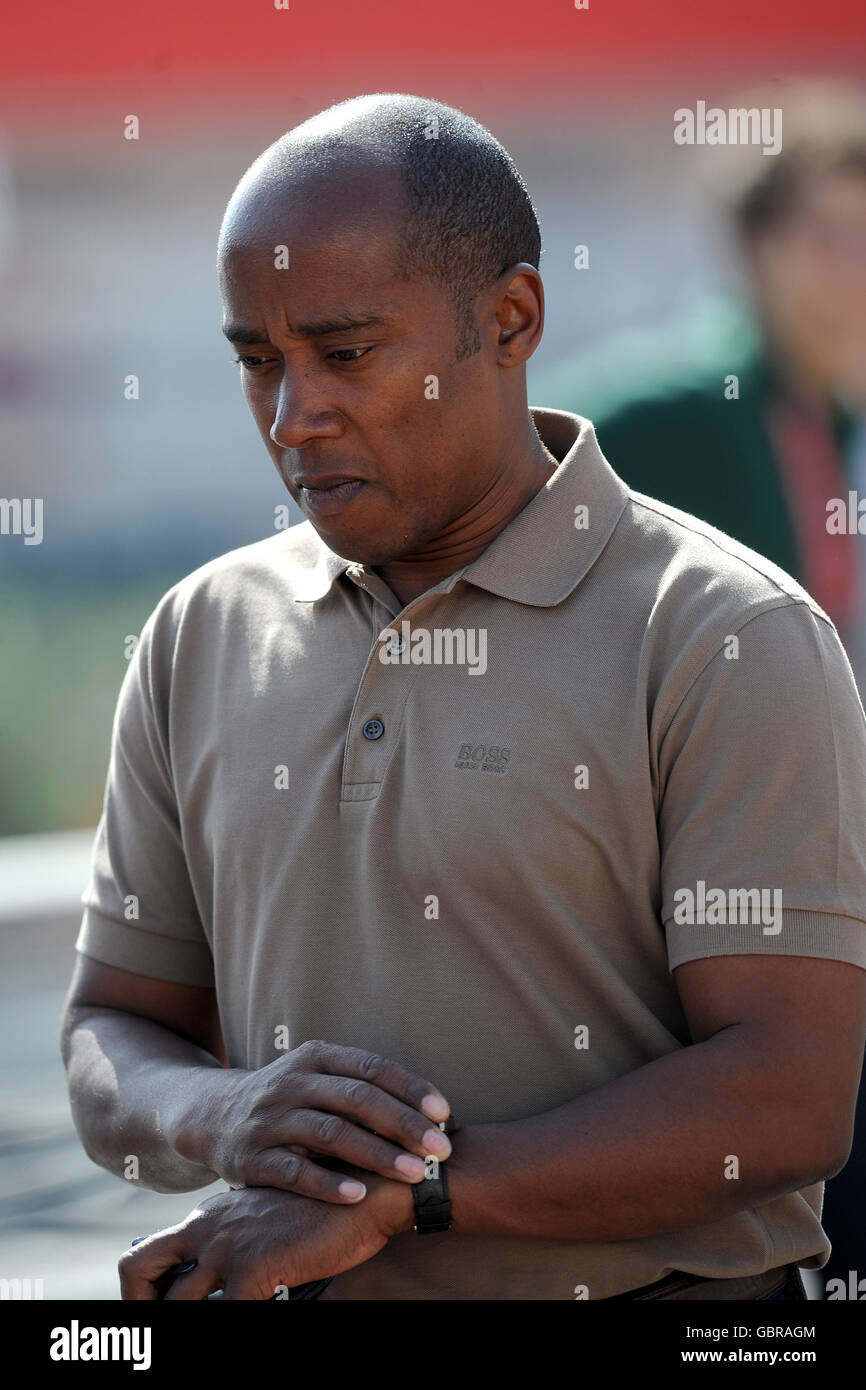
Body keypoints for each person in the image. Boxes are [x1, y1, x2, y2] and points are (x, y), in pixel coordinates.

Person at [60, 92, 866, 1301]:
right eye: (256, 362)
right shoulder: (198, 632)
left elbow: (787, 1097)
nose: (293, 416)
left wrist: (408, 1195)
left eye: (344, 352)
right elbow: (107, 1033)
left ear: (508, 319)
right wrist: (229, 1117)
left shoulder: (723, 634)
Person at [531, 83, 866, 1289]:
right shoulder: (671, 410)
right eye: (826, 236)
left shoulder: (834, 414)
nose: (853, 268)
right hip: (674, 901)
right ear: (755, 253)